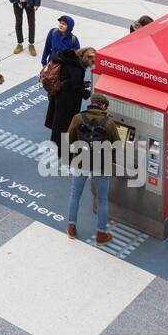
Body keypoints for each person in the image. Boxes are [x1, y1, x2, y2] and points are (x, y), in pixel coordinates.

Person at [65, 92, 120, 244]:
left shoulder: (78, 118)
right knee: (102, 199)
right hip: (101, 165)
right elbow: (117, 146)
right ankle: (101, 235)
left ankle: (71, 228)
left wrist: (72, 160)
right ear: (104, 106)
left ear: (91, 102)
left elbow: (68, 140)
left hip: (80, 162)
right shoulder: (109, 123)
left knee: (75, 195)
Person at [45, 45, 89, 158]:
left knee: (57, 124)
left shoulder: (66, 60)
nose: (91, 63)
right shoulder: (77, 67)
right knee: (66, 126)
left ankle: (55, 147)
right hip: (68, 101)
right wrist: (88, 93)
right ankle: (64, 153)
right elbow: (76, 86)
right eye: (91, 60)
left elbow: (69, 79)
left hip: (59, 96)